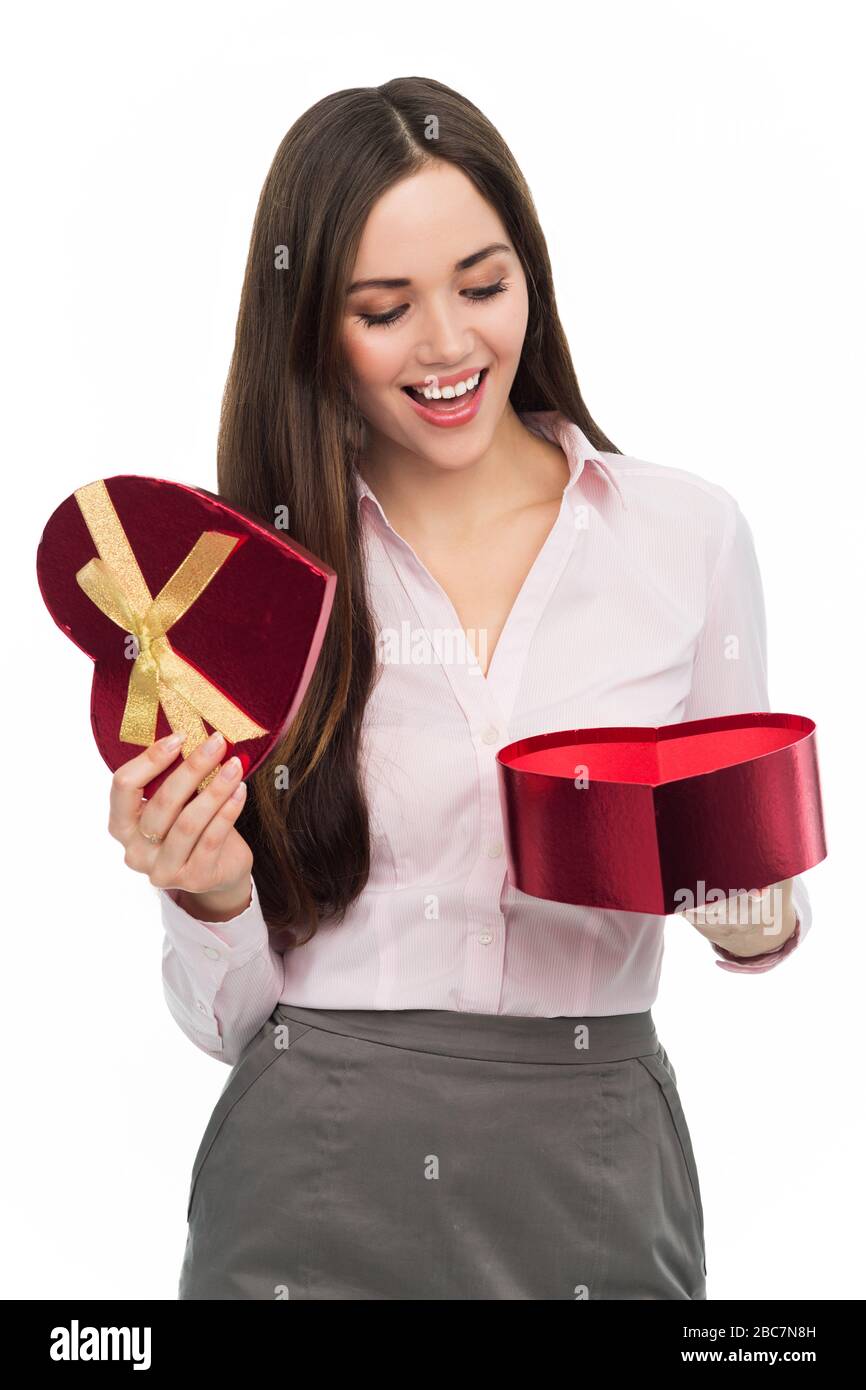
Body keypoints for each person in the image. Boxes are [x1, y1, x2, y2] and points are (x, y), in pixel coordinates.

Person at [109, 77, 812, 1300]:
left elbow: (751, 893)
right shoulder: (237, 588)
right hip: (307, 1169)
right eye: (385, 311)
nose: (448, 346)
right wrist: (210, 893)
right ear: (311, 329)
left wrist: (747, 912)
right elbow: (227, 1023)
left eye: (482, 287)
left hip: (593, 1158)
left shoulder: (683, 537)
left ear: (529, 279)